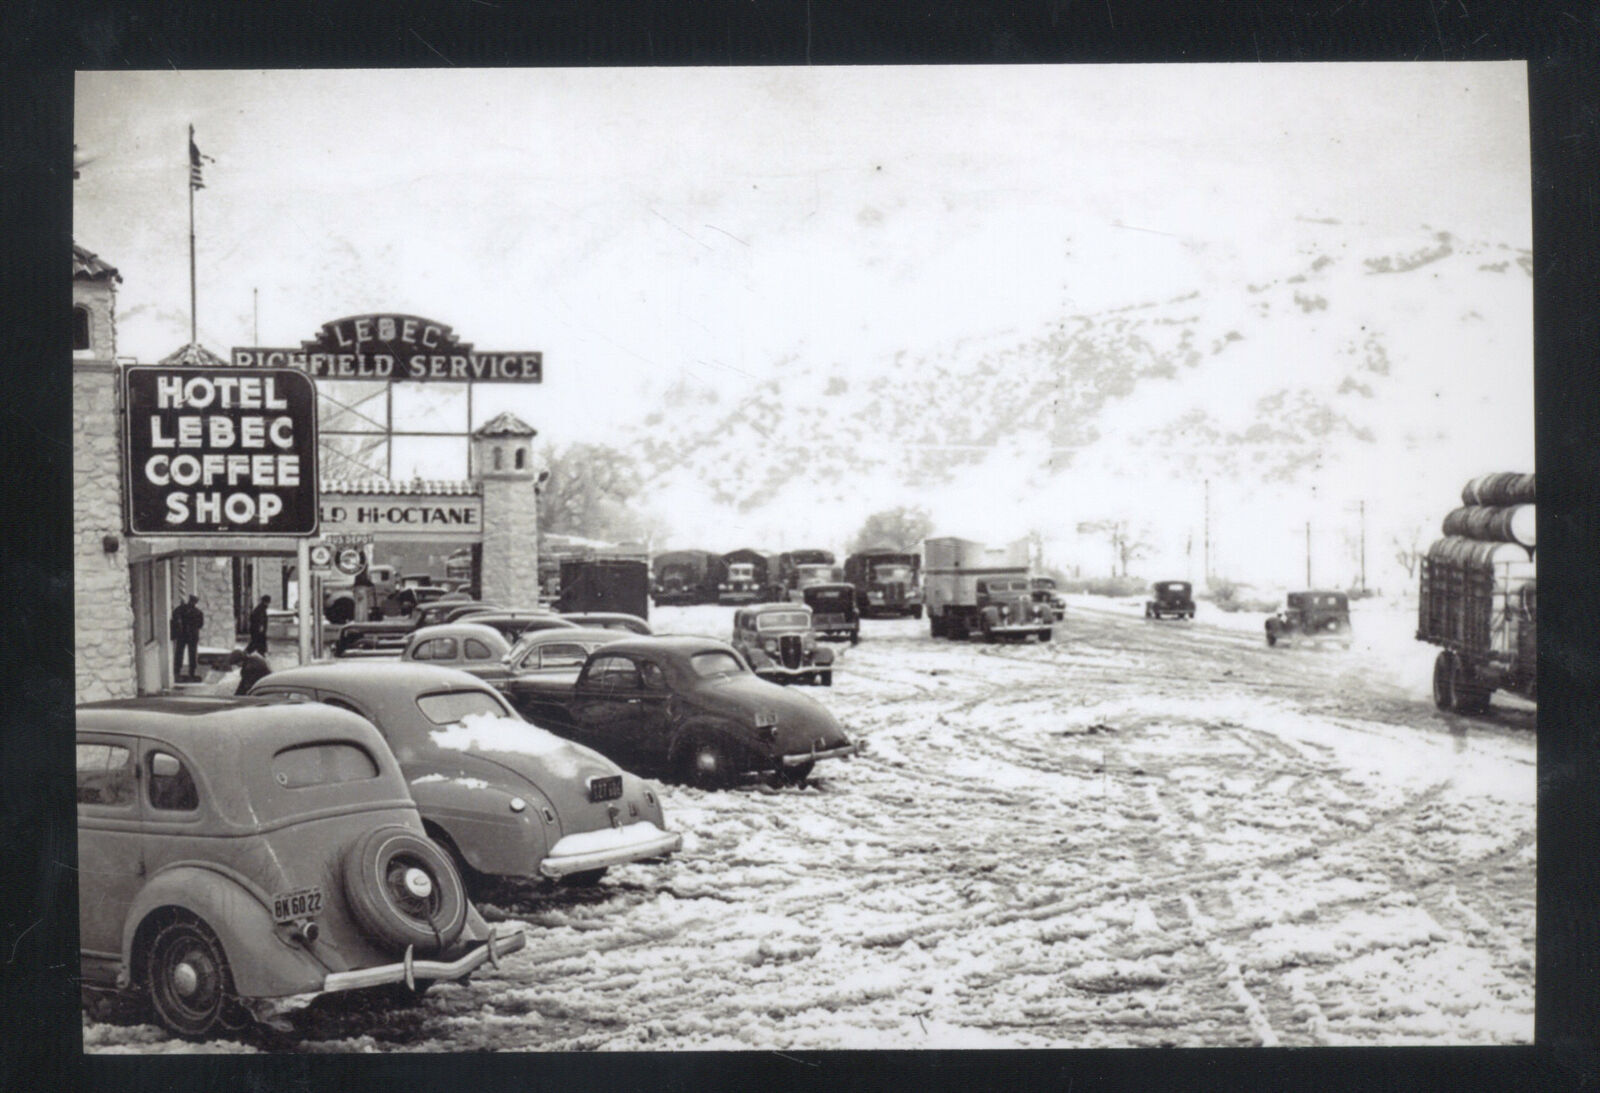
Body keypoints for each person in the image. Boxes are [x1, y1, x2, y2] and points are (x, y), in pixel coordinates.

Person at [171, 595, 203, 682]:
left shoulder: (182, 609)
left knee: (183, 653)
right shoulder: (197, 612)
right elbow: (200, 625)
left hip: (186, 635)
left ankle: (184, 671)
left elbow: (175, 614)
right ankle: (186, 671)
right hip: (189, 635)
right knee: (185, 653)